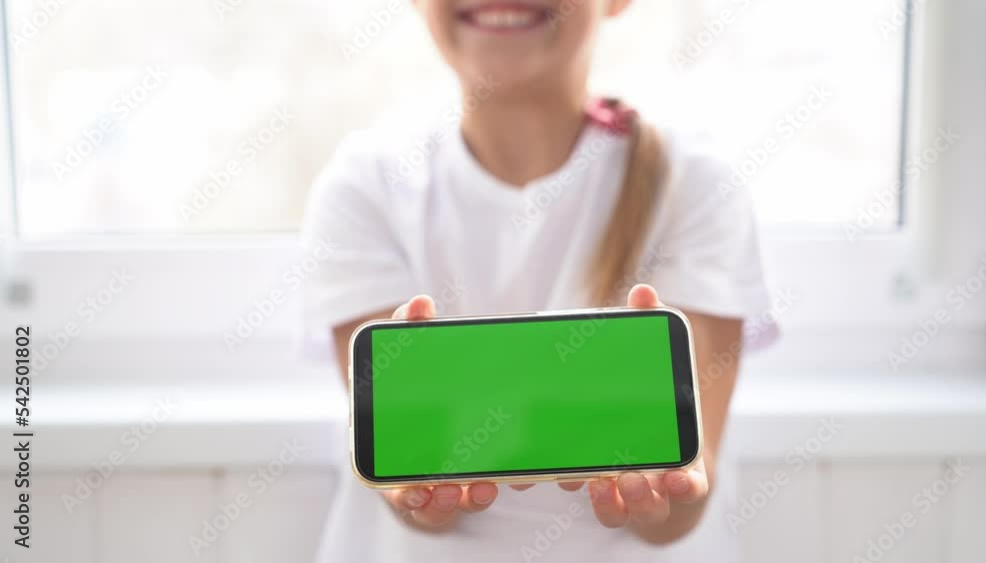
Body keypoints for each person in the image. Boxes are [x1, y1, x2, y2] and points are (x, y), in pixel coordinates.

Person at [302, 1, 773, 561]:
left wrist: (667, 492)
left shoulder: (694, 181)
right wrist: (417, 495)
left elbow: (682, 501)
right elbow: (407, 493)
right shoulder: (363, 186)